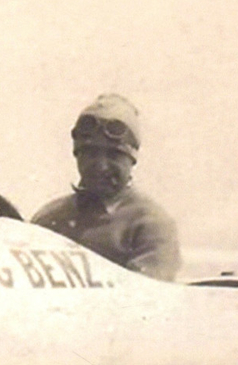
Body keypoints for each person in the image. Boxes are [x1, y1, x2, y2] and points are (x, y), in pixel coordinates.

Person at [30, 93, 181, 281]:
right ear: (77, 156)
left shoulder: (150, 225)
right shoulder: (48, 219)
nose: (101, 166)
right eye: (91, 153)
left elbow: (144, 299)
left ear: (131, 160)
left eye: (113, 155)